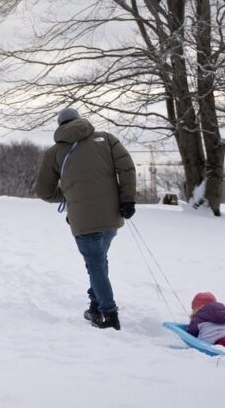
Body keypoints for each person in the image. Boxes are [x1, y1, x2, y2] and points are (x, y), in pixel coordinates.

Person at [36, 107, 136, 330]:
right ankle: (94, 305)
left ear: (60, 126)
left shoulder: (55, 152)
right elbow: (126, 168)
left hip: (83, 221)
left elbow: (43, 190)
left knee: (96, 265)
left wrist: (66, 197)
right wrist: (127, 199)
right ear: (80, 120)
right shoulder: (107, 139)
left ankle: (109, 315)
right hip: (112, 217)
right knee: (99, 261)